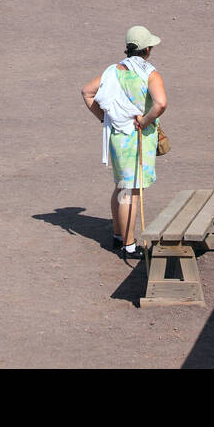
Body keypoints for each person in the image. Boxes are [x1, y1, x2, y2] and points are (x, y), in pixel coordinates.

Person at [81, 26, 167, 258]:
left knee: (121, 187)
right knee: (132, 192)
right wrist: (145, 121)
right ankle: (129, 245)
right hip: (137, 139)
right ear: (147, 49)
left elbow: (87, 92)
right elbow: (160, 104)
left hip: (117, 137)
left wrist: (104, 119)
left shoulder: (112, 70)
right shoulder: (150, 73)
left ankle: (118, 235)